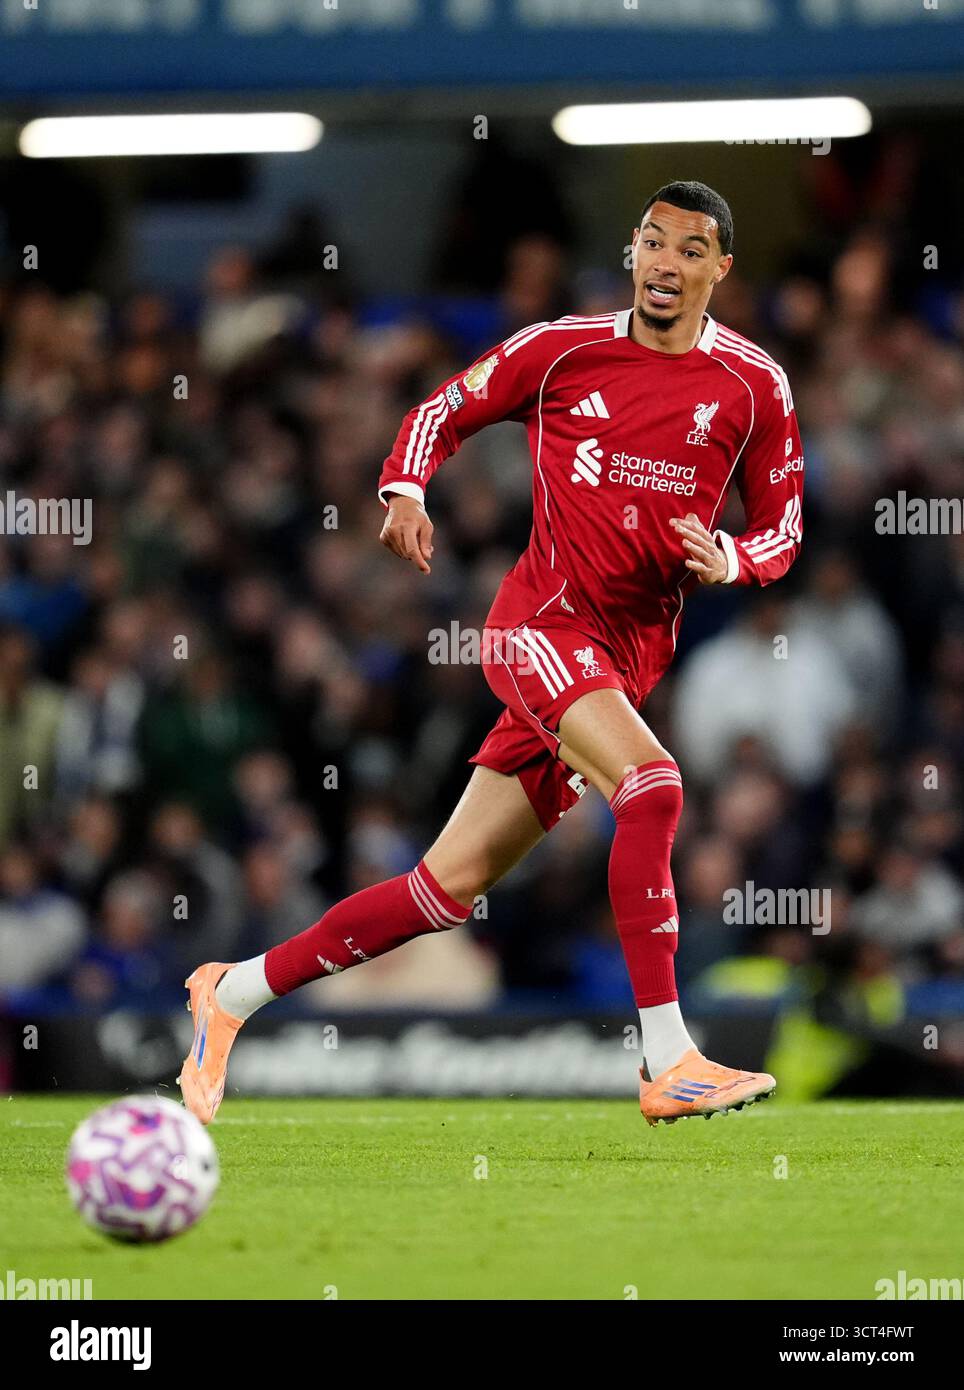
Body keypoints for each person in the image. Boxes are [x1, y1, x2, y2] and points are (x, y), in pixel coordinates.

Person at [178, 181, 804, 1127]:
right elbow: (445, 409)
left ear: (720, 268)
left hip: (626, 661)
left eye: (689, 248)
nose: (664, 263)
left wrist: (735, 556)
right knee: (654, 786)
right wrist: (405, 491)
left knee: (442, 891)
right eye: (650, 241)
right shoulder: (561, 350)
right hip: (538, 629)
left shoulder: (754, 385)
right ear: (632, 252)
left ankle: (231, 995)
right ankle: (670, 1057)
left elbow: (786, 526)